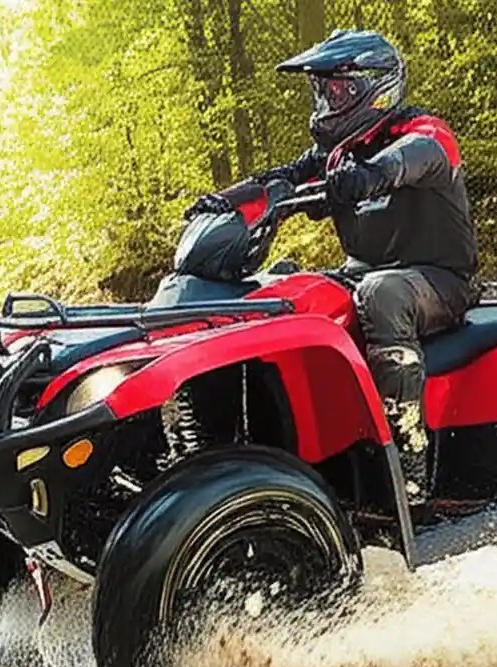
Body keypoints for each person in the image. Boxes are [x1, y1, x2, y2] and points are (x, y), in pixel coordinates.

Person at [182, 29, 479, 508]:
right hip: (364, 275)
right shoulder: (336, 154)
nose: (326, 99)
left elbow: (409, 162)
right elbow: (279, 179)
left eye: (336, 89)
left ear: (374, 87)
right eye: (321, 90)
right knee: (283, 293)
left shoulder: (425, 133)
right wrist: (227, 202)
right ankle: (257, 453)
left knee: (383, 295)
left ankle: (407, 470)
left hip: (439, 282)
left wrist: (371, 176)